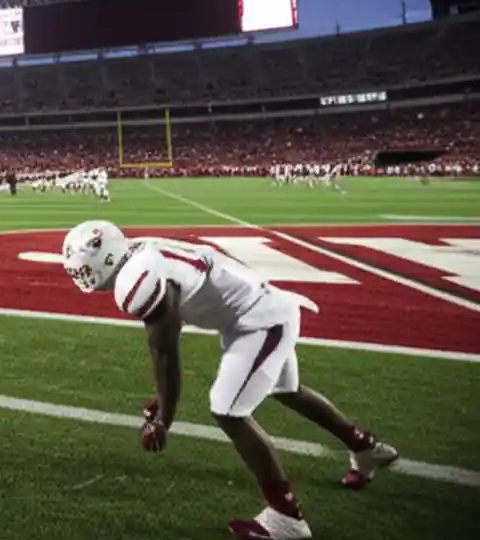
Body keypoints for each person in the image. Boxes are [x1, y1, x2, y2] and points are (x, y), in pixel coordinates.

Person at [61, 221, 398, 540]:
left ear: (106, 255)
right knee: (287, 390)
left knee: (227, 409)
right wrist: (163, 402)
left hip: (259, 321)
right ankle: (365, 448)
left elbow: (165, 352)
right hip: (260, 309)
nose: (80, 274)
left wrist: (165, 417)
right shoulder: (137, 254)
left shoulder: (137, 277)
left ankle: (286, 517)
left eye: (84, 265)